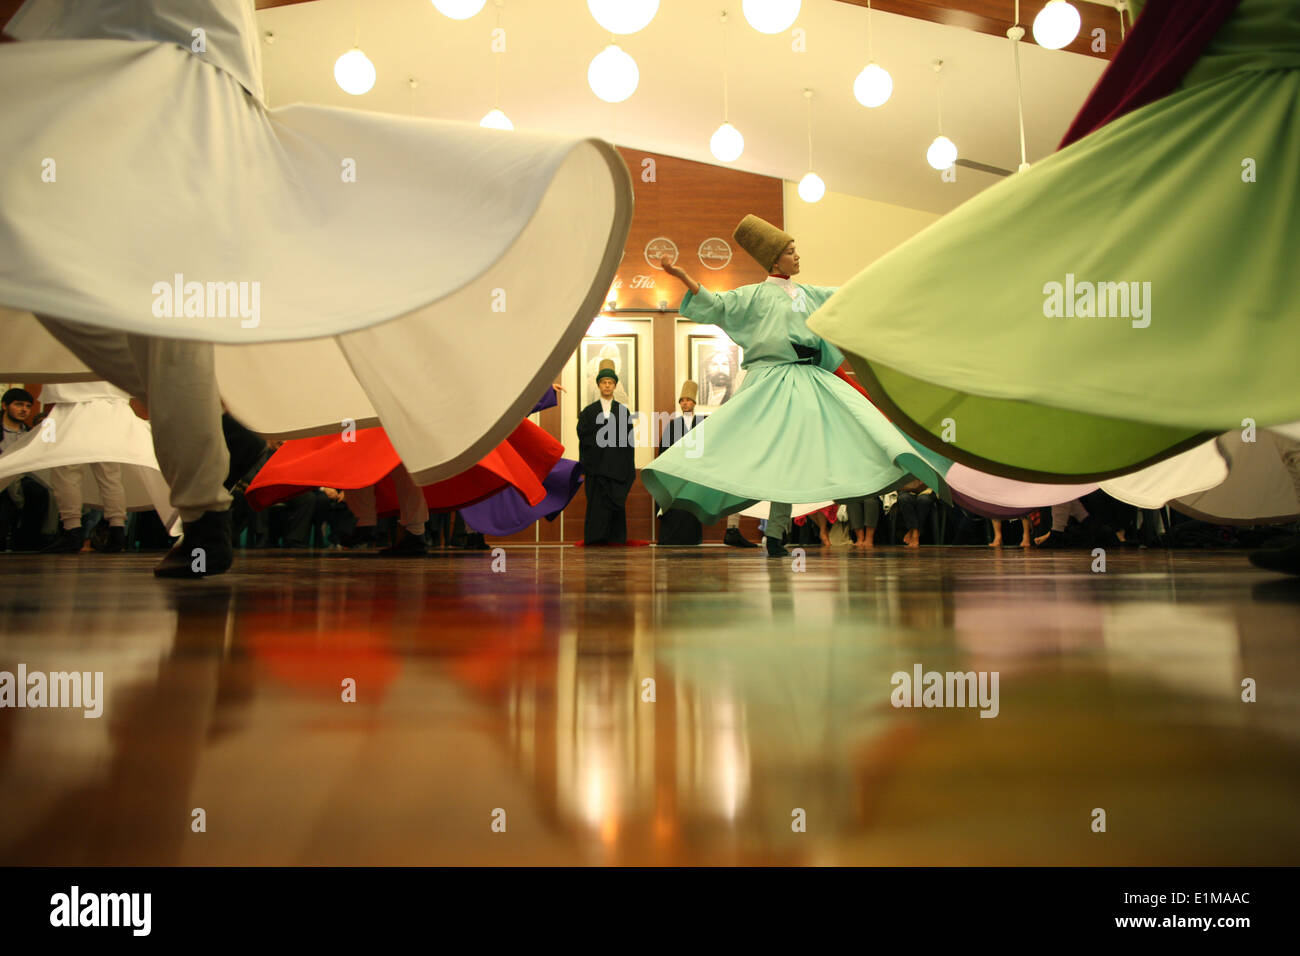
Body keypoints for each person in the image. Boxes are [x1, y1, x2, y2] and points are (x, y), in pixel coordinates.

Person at [0, 0, 634, 578]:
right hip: (95, 81)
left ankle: (204, 514)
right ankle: (180, 411)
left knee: (175, 312)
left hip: (184, 86)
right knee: (55, 279)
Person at [642, 214, 946, 557]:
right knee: (758, 452)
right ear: (775, 259)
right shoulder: (754, 296)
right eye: (790, 251)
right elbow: (717, 305)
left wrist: (903, 274)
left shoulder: (809, 294)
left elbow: (850, 297)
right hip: (771, 383)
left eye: (795, 249)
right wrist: (683, 276)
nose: (797, 256)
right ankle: (755, 524)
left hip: (808, 380)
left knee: (844, 431)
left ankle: (779, 532)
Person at [578, 359, 636, 545]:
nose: (607, 386)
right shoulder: (588, 411)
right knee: (596, 505)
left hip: (616, 470)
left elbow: (628, 441)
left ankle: (616, 538)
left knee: (615, 505)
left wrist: (625, 466)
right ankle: (595, 538)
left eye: (610, 383)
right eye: (604, 382)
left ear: (615, 385)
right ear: (598, 385)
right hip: (596, 468)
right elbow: (583, 435)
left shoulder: (622, 411)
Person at [0, 386, 51, 551]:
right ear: (5, 406)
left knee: (40, 492)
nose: (24, 410)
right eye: (19, 404)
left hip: (24, 478)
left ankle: (27, 542)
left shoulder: (30, 434)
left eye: (28, 406)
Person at [657, 380, 706, 545]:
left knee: (691, 509)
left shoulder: (702, 424)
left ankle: (692, 538)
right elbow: (664, 451)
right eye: (682, 400)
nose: (685, 403)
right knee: (675, 509)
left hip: (694, 475)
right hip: (675, 475)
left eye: (688, 400)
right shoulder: (673, 425)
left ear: (694, 402)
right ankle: (671, 538)